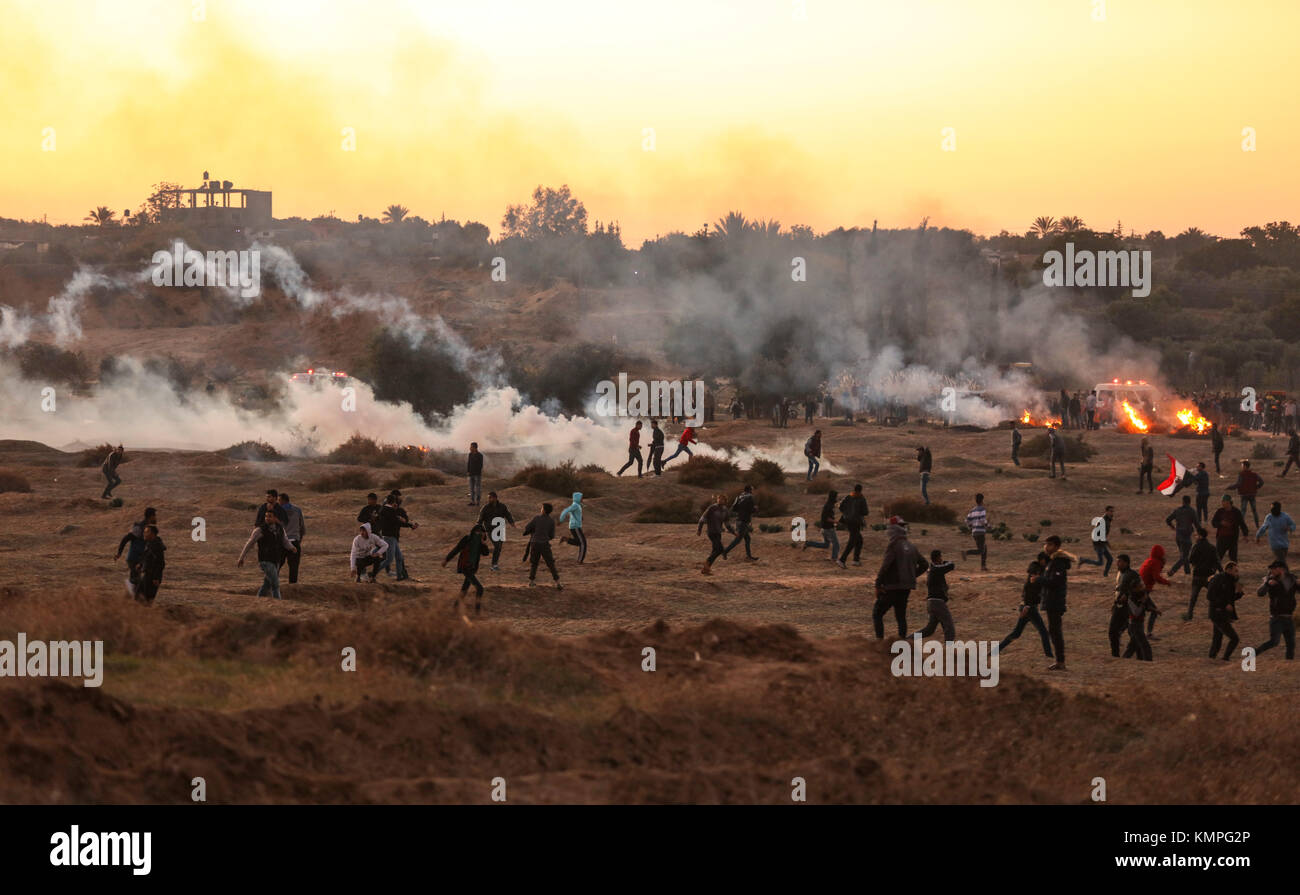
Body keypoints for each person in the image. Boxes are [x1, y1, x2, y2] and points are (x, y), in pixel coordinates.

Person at [872, 516, 924, 639]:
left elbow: (885, 566)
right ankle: (902, 643)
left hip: (892, 586)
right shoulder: (911, 546)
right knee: (901, 616)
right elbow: (924, 564)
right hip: (906, 587)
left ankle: (879, 644)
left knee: (877, 613)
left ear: (892, 529)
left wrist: (878, 584)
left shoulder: (893, 545)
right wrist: (911, 575)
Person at [999, 552, 1055, 658]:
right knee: (1043, 632)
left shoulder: (1036, 571)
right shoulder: (1036, 572)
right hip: (1029, 607)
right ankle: (1049, 656)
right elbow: (1029, 590)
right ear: (1043, 560)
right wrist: (1027, 605)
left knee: (1016, 633)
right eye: (1047, 561)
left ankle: (995, 651)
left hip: (1027, 606)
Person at [236, 514, 298, 599]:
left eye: (270, 516)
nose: (267, 518)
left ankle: (258, 599)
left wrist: (291, 547)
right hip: (265, 560)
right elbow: (250, 543)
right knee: (275, 584)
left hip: (276, 559)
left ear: (276, 518)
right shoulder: (260, 530)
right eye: (266, 516)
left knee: (267, 583)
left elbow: (285, 541)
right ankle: (278, 602)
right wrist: (241, 557)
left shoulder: (280, 529)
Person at [1038, 535, 1073, 670]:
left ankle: (1060, 662)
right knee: (1054, 631)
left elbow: (1055, 583)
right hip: (1051, 601)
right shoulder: (1053, 561)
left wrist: (1039, 580)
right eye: (1046, 544)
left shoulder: (1058, 563)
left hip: (1055, 602)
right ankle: (1059, 661)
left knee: (1055, 632)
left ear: (1057, 547)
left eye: (1050, 544)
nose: (1046, 547)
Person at [443, 523, 491, 614]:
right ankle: (477, 612)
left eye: (480, 532)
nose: (478, 534)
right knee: (480, 589)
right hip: (465, 567)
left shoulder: (480, 543)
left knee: (464, 590)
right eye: (477, 532)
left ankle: (455, 608)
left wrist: (484, 543)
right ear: (473, 531)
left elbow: (486, 553)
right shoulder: (467, 539)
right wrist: (447, 559)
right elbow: (456, 549)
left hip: (472, 569)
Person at [909, 549, 955, 641]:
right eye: (941, 557)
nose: (942, 559)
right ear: (938, 558)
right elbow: (951, 565)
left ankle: (907, 640)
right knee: (949, 628)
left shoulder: (932, 569)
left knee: (929, 630)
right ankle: (949, 651)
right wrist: (943, 562)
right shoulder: (936, 569)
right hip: (938, 603)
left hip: (932, 603)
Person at [1254, 560, 1297, 660]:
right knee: (1274, 642)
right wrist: (1267, 584)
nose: (1271, 570)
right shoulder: (1270, 579)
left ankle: (1288, 665)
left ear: (1281, 569)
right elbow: (1260, 593)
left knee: (1291, 644)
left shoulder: (1292, 579)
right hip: (1276, 618)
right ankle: (1255, 652)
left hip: (1289, 617)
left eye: (1274, 568)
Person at [114, 506, 158, 597]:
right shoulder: (139, 528)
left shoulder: (148, 528)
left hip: (140, 558)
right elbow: (125, 539)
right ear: (151, 516)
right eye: (155, 515)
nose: (156, 517)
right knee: (136, 581)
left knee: (137, 580)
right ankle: (132, 601)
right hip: (134, 558)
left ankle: (128, 599)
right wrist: (119, 553)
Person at [1122, 558, 1160, 661]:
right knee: (1145, 646)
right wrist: (1143, 602)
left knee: (1133, 646)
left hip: (1139, 624)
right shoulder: (1131, 598)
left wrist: (1154, 610)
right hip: (1134, 625)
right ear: (1134, 588)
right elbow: (1136, 612)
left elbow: (1147, 607)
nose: (1142, 587)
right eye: (1140, 586)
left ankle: (1126, 660)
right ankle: (1148, 662)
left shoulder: (1140, 595)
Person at [1108, 554, 1143, 658]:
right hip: (1119, 607)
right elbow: (1118, 589)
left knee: (1133, 633)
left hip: (1129, 608)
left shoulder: (1133, 575)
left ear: (1126, 563)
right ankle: (1115, 655)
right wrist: (1115, 604)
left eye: (1120, 562)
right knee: (1113, 631)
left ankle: (1140, 656)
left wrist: (1127, 595)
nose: (1117, 564)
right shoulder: (1120, 573)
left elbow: (1139, 589)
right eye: (1117, 561)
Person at [376, 493, 418, 581]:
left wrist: (405, 522)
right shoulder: (390, 510)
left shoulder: (383, 509)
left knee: (399, 558)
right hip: (390, 537)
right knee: (389, 559)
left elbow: (395, 520)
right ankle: (373, 573)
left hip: (390, 536)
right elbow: (397, 522)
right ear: (394, 502)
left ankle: (399, 577)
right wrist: (409, 525)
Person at [1206, 561, 1242, 660]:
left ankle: (1212, 657)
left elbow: (1230, 598)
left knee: (1217, 637)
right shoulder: (1218, 579)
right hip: (1217, 613)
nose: (1237, 573)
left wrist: (1239, 593)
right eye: (1235, 571)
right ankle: (1225, 658)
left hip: (1222, 614)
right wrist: (1225, 605)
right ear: (1228, 570)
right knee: (1234, 639)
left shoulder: (1231, 581)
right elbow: (1210, 596)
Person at [1185, 527, 1222, 620]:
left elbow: (1190, 559)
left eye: (1196, 535)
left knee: (1193, 598)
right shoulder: (1212, 547)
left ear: (1200, 536)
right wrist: (1221, 573)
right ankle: (1215, 613)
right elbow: (1217, 562)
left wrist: (1195, 564)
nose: (1195, 536)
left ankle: (1189, 615)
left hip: (1197, 575)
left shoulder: (1196, 546)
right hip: (1209, 575)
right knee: (1214, 595)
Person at [523, 502, 562, 589]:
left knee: (534, 563)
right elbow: (552, 536)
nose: (541, 509)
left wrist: (533, 531)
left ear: (544, 510)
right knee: (551, 564)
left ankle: (531, 582)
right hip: (545, 544)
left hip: (535, 543)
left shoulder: (537, 518)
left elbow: (527, 528)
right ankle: (558, 583)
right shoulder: (551, 521)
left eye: (542, 508)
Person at [477, 491, 516, 571]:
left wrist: (512, 522)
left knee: (499, 547)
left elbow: (507, 514)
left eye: (490, 498)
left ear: (495, 498)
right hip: (490, 530)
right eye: (488, 498)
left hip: (500, 529)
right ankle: (494, 565)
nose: (489, 499)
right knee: (497, 546)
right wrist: (479, 529)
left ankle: (495, 564)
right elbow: (480, 519)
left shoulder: (502, 506)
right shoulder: (485, 507)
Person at [1136, 544, 1169, 639]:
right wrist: (1166, 582)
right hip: (1143, 591)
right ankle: (1148, 633)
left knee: (1138, 613)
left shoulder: (1149, 561)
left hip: (1141, 589)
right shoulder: (1156, 563)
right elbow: (1156, 577)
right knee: (1153, 611)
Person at [722, 485, 758, 562]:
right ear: (750, 490)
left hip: (739, 520)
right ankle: (725, 551)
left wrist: (742, 510)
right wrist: (755, 509)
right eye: (752, 489)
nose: (753, 491)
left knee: (747, 538)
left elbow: (734, 508)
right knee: (738, 539)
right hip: (744, 521)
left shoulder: (739, 497)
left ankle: (749, 556)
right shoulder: (750, 497)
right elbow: (752, 509)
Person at [836, 484, 868, 568]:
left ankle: (856, 560)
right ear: (861, 490)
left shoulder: (848, 496)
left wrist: (846, 513)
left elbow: (840, 507)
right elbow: (865, 512)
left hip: (848, 521)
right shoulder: (861, 498)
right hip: (856, 522)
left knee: (859, 540)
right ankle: (842, 560)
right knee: (852, 541)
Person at [802, 490, 839, 563]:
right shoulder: (829, 506)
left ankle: (808, 543)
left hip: (824, 528)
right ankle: (834, 558)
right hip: (828, 529)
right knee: (836, 544)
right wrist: (836, 521)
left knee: (826, 545)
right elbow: (827, 518)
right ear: (833, 497)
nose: (836, 498)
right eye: (836, 497)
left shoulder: (829, 504)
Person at [134, 524, 166, 605]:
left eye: (147, 532)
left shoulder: (157, 546)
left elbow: (161, 563)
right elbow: (146, 557)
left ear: (153, 534)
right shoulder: (150, 544)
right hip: (146, 575)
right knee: (138, 597)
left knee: (147, 601)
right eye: (144, 532)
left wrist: (156, 577)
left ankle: (147, 616)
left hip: (152, 578)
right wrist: (140, 564)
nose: (144, 534)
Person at [277, 492, 306, 584]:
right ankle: (293, 586)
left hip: (281, 542)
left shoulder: (277, 511)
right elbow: (302, 527)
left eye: (278, 500)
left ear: (282, 500)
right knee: (294, 566)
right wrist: (298, 540)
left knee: (277, 565)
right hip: (294, 541)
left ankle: (273, 584)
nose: (278, 502)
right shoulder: (297, 510)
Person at [1077, 506, 1114, 576]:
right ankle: (1083, 560)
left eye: (1112, 511)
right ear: (1106, 511)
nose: (1112, 513)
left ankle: (1105, 574)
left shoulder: (1108, 519)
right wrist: (1108, 544)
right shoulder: (1103, 521)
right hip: (1098, 543)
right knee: (1100, 562)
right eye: (1110, 511)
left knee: (1110, 559)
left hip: (1101, 542)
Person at [1211, 495, 1250, 562]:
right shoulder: (1220, 511)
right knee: (1218, 558)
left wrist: (1245, 534)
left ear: (1229, 502)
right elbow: (1213, 523)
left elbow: (1242, 523)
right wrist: (1221, 523)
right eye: (1222, 502)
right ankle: (1216, 571)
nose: (1222, 503)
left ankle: (1234, 572)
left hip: (1232, 538)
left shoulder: (1236, 512)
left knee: (1233, 558)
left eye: (1224, 502)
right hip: (1221, 538)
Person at [698, 493, 729, 576]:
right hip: (711, 532)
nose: (719, 500)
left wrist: (733, 532)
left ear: (725, 501)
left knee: (715, 550)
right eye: (718, 498)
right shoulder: (712, 508)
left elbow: (727, 523)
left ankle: (706, 569)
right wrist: (699, 530)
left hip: (718, 532)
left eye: (722, 499)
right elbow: (702, 519)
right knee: (719, 549)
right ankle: (707, 562)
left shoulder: (725, 510)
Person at [1165, 496, 1198, 575]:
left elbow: (1168, 520)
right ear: (1189, 502)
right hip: (1186, 537)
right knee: (1184, 557)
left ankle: (1187, 572)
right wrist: (1200, 533)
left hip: (1178, 537)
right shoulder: (1192, 511)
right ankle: (1173, 570)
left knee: (1184, 555)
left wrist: (1173, 527)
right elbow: (1197, 524)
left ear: (1183, 502)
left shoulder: (1178, 510)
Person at [1256, 500, 1295, 564]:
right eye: (1272, 509)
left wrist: (1289, 528)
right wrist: (1258, 536)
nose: (1273, 510)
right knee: (1282, 562)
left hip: (1284, 543)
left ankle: (1270, 572)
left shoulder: (1285, 516)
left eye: (1274, 509)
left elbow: (1293, 525)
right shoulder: (1269, 517)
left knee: (1279, 561)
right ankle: (1286, 573)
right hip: (1275, 544)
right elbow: (1263, 528)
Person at [1227, 459, 1264, 527]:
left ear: (1245, 466)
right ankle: (1257, 525)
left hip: (1244, 494)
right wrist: (1256, 487)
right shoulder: (1254, 474)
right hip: (1252, 494)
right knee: (1254, 511)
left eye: (1242, 465)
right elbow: (1262, 482)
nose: (1241, 467)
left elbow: (1238, 484)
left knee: (1243, 511)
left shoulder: (1242, 474)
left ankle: (1242, 526)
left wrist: (1230, 487)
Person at [559, 491, 587, 563]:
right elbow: (566, 510)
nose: (582, 498)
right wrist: (561, 520)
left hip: (575, 526)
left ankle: (566, 539)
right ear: (577, 498)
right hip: (575, 527)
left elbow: (576, 513)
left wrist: (581, 517)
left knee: (579, 542)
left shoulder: (578, 505)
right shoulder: (575, 505)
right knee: (583, 543)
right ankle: (580, 561)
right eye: (581, 497)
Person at [963, 494, 988, 571]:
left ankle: (983, 566)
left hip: (974, 532)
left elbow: (967, 520)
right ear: (982, 500)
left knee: (984, 548)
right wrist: (988, 526)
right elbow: (982, 520)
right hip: (980, 532)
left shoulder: (972, 510)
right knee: (981, 550)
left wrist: (971, 527)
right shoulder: (982, 509)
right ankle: (966, 552)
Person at [467, 442, 485, 506]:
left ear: (474, 448)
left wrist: (476, 472)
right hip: (471, 474)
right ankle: (472, 501)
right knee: (471, 489)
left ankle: (478, 502)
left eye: (471, 447)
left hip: (477, 475)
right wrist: (468, 471)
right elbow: (468, 463)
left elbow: (480, 466)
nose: (470, 448)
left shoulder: (480, 455)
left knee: (477, 488)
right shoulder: (470, 454)